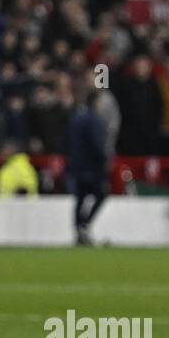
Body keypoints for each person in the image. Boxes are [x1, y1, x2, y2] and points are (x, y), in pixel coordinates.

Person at [67, 83, 109, 245]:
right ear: (96, 103)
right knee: (100, 195)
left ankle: (79, 229)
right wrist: (104, 160)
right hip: (91, 168)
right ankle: (84, 225)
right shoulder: (94, 121)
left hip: (76, 166)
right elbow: (97, 145)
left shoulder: (76, 119)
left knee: (81, 198)